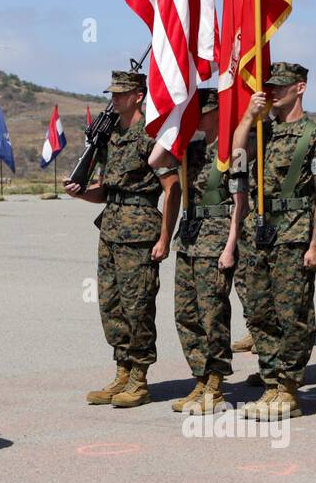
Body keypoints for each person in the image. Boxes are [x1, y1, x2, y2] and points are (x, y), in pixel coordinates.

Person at [65, 70, 180, 408]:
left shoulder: (150, 137)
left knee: (138, 307)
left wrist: (164, 238)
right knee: (111, 305)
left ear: (138, 96)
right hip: (111, 230)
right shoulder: (111, 137)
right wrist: (81, 193)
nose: (113, 99)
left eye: (119, 94)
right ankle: (122, 372)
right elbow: (107, 191)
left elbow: (172, 188)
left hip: (141, 233)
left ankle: (140, 379)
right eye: (111, 93)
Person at [229, 62, 316, 419]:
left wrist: (315, 243)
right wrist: (248, 116)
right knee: (259, 310)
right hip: (258, 232)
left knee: (293, 313)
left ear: (300, 88)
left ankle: (288, 386)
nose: (273, 92)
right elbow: (235, 158)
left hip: (293, 234)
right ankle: (272, 380)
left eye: (281, 86)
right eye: (270, 86)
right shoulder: (262, 131)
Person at [169, 88, 241, 414]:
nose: (197, 117)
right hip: (189, 238)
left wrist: (231, 246)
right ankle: (199, 377)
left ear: (217, 112)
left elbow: (241, 204)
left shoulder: (232, 153)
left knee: (213, 314)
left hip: (216, 238)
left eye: (203, 110)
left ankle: (216, 383)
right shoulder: (192, 149)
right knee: (186, 313)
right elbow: (158, 159)